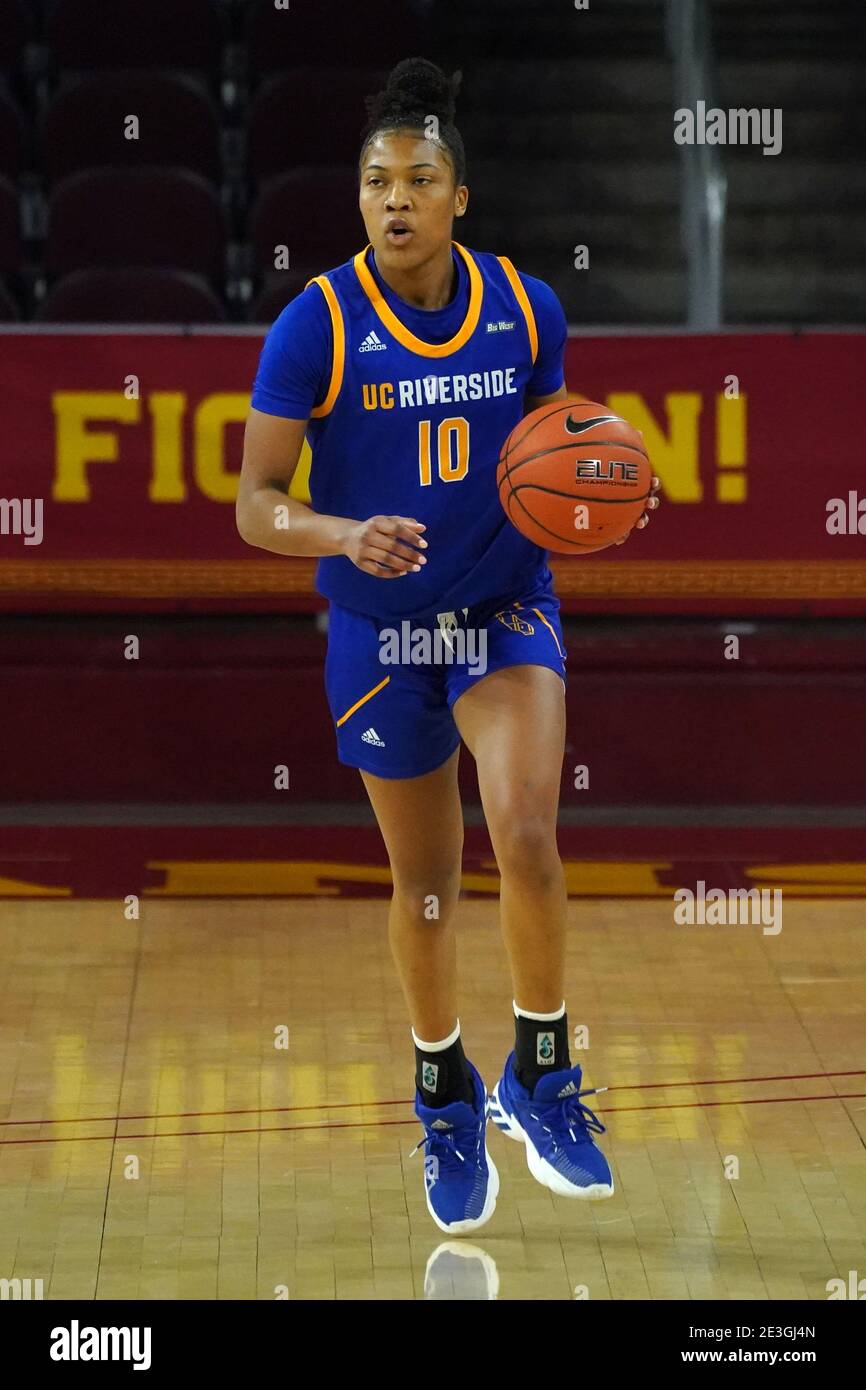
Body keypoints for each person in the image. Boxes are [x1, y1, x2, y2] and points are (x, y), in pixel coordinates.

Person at [237, 57, 660, 1234]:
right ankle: (444, 1091)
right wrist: (336, 530)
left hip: (502, 610)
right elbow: (254, 503)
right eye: (377, 181)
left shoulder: (526, 310)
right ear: (359, 198)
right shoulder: (312, 324)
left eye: (419, 178)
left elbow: (559, 453)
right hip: (380, 632)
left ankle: (542, 1072)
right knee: (426, 882)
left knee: (523, 829)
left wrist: (609, 495)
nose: (395, 198)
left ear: (457, 195)